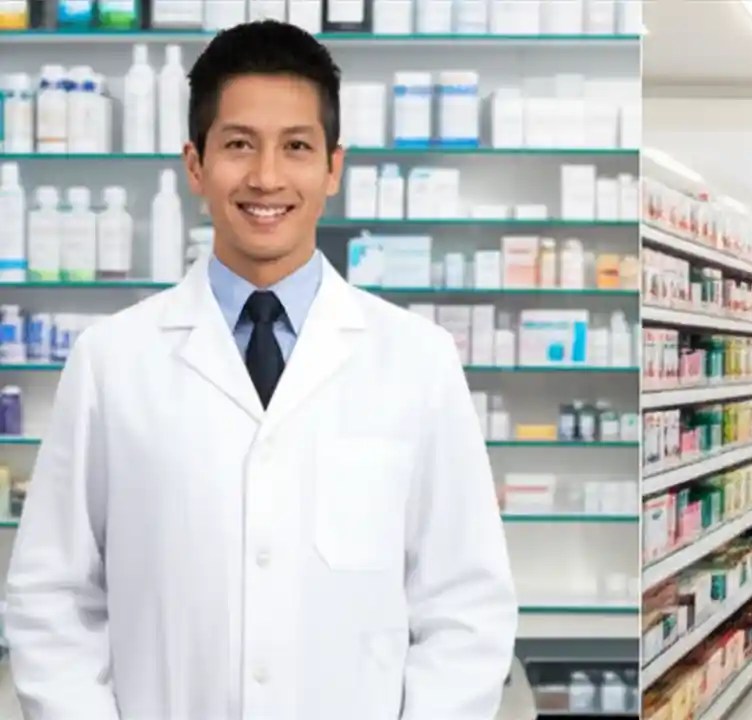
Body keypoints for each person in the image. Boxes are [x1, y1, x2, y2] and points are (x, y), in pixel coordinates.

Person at [4, 21, 518, 719]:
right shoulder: (112, 360)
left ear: (333, 167)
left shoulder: (417, 361)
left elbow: (466, 606)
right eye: (238, 144)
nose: (267, 177)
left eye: (297, 147)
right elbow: (53, 598)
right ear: (195, 165)